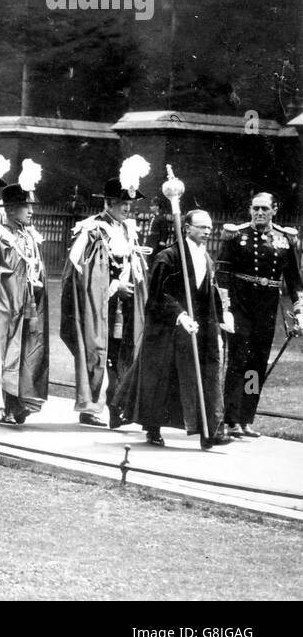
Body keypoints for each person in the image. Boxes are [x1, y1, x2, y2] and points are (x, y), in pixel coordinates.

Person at [120, 209, 234, 449]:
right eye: (201, 227)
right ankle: (153, 427)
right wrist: (180, 314)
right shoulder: (168, 257)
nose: (207, 231)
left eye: (209, 227)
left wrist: (221, 318)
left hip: (200, 329)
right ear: (187, 228)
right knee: (164, 378)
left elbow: (209, 293)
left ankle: (209, 430)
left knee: (207, 375)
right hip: (170, 330)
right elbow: (158, 295)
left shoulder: (207, 259)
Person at [61, 157, 151, 428]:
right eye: (122, 203)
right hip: (100, 305)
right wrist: (114, 287)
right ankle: (91, 409)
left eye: (129, 203)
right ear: (108, 203)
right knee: (98, 352)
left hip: (124, 306)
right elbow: (84, 274)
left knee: (122, 354)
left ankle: (118, 408)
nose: (127, 207)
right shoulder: (93, 230)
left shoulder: (127, 229)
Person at [220, 192, 303, 438]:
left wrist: (299, 311)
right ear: (249, 210)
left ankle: (246, 418)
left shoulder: (284, 239)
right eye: (255, 208)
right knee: (237, 362)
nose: (259, 213)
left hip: (266, 311)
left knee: (256, 364)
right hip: (240, 307)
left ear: (274, 210)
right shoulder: (237, 235)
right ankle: (230, 418)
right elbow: (223, 274)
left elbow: (294, 281)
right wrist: (225, 309)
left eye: (264, 209)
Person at [0, 161, 49, 424]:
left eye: (31, 206)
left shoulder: (29, 236)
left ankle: (18, 402)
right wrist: (9, 306)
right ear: (12, 209)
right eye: (26, 206)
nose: (31, 211)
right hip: (3, 307)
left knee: (25, 352)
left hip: (26, 305)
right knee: (0, 352)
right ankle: (0, 403)